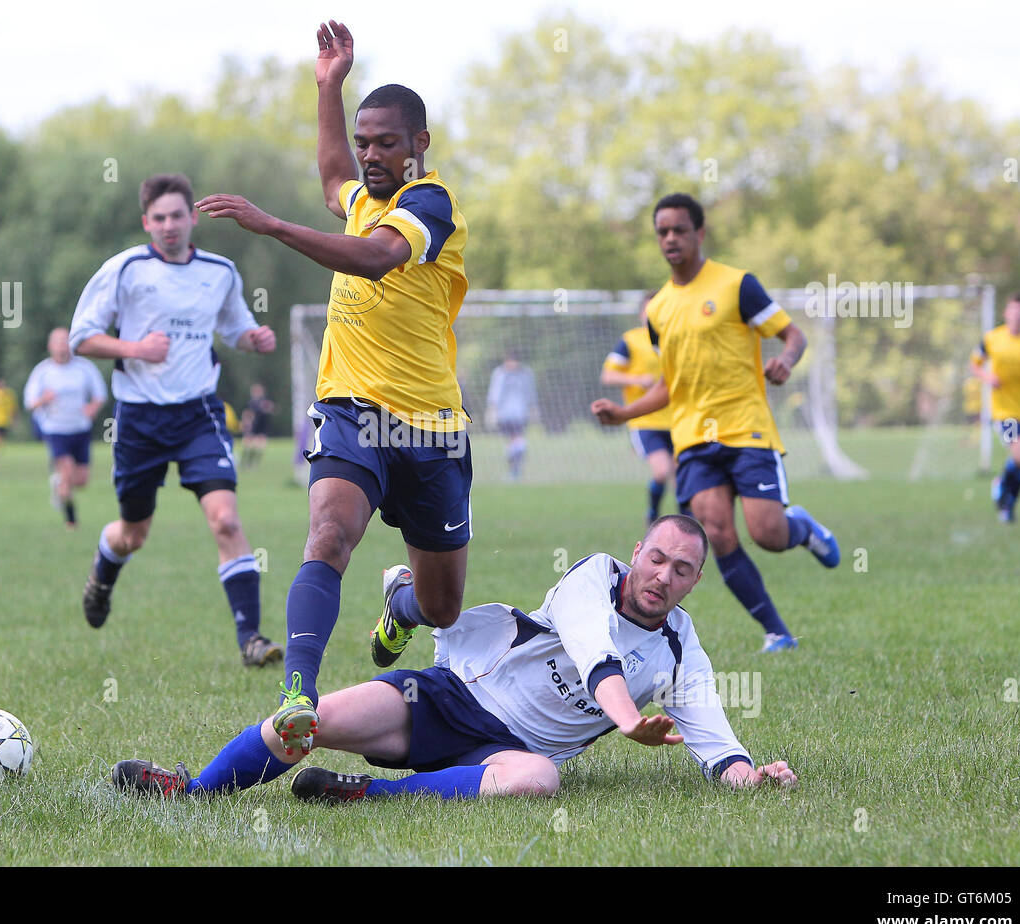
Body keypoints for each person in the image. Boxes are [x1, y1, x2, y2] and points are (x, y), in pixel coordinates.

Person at [191, 19, 471, 753]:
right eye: (363, 140)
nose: (370, 154)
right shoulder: (362, 198)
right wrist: (327, 86)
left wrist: (272, 227)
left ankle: (401, 605)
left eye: (385, 142)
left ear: (419, 144)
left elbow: (374, 259)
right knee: (328, 535)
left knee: (443, 607)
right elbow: (331, 178)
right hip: (350, 408)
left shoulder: (431, 205)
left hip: (430, 426)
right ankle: (299, 694)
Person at [111, 515, 799, 801]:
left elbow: (711, 732)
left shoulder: (680, 646)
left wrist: (749, 773)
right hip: (448, 696)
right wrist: (626, 719)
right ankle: (192, 792)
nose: (663, 577)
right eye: (657, 559)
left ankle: (363, 795)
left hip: (508, 752)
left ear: (693, 583)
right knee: (306, 722)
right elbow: (596, 651)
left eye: (682, 570)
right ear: (637, 553)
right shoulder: (593, 575)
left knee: (539, 780)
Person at [591, 194, 838, 654]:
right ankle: (777, 633)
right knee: (719, 535)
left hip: (746, 429)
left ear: (699, 233)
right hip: (692, 439)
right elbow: (672, 383)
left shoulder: (737, 286)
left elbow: (793, 334)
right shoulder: (658, 310)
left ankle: (802, 528)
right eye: (662, 231)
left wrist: (785, 360)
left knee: (768, 534)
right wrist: (623, 413)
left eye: (679, 230)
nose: (670, 238)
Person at [69, 173, 281, 668]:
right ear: (146, 222)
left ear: (192, 219)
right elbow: (81, 338)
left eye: (177, 216)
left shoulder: (220, 272)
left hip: (198, 414)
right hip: (139, 420)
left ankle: (251, 639)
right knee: (133, 533)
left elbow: (235, 327)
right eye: (159, 218)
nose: (169, 225)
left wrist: (252, 339)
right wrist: (134, 348)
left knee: (226, 519)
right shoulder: (125, 269)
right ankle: (103, 574)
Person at [970, 291, 1020, 522]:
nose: (1018, 316)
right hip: (1003, 412)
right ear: (1006, 313)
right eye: (1014, 311)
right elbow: (974, 365)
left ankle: (1007, 503)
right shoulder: (992, 339)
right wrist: (988, 377)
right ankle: (1003, 494)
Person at [601, 291, 675, 522]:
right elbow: (608, 375)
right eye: (649, 310)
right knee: (662, 472)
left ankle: (686, 528)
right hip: (646, 420)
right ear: (641, 313)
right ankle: (653, 514)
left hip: (679, 421)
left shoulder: (676, 338)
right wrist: (637, 379)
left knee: (684, 481)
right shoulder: (631, 340)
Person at [24, 328, 107, 529]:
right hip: (56, 430)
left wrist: (92, 408)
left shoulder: (84, 368)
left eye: (66, 341)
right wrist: (44, 399)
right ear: (50, 346)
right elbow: (29, 403)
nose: (62, 346)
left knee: (81, 481)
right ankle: (71, 520)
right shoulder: (43, 371)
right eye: (58, 342)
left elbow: (100, 395)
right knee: (67, 472)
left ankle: (58, 483)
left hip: (80, 428)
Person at [485, 351, 538, 480]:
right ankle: (514, 469)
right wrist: (492, 410)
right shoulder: (500, 373)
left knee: (517, 438)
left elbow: (530, 392)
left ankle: (515, 470)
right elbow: (494, 392)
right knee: (511, 441)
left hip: (520, 413)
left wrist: (533, 409)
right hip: (504, 414)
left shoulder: (525, 374)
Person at [239, 382, 276, 469]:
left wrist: (269, 408)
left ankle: (253, 462)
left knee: (260, 446)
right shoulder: (251, 403)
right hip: (253, 427)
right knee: (248, 445)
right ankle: (245, 461)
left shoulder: (265, 401)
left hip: (262, 427)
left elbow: (272, 409)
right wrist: (246, 423)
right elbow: (247, 414)